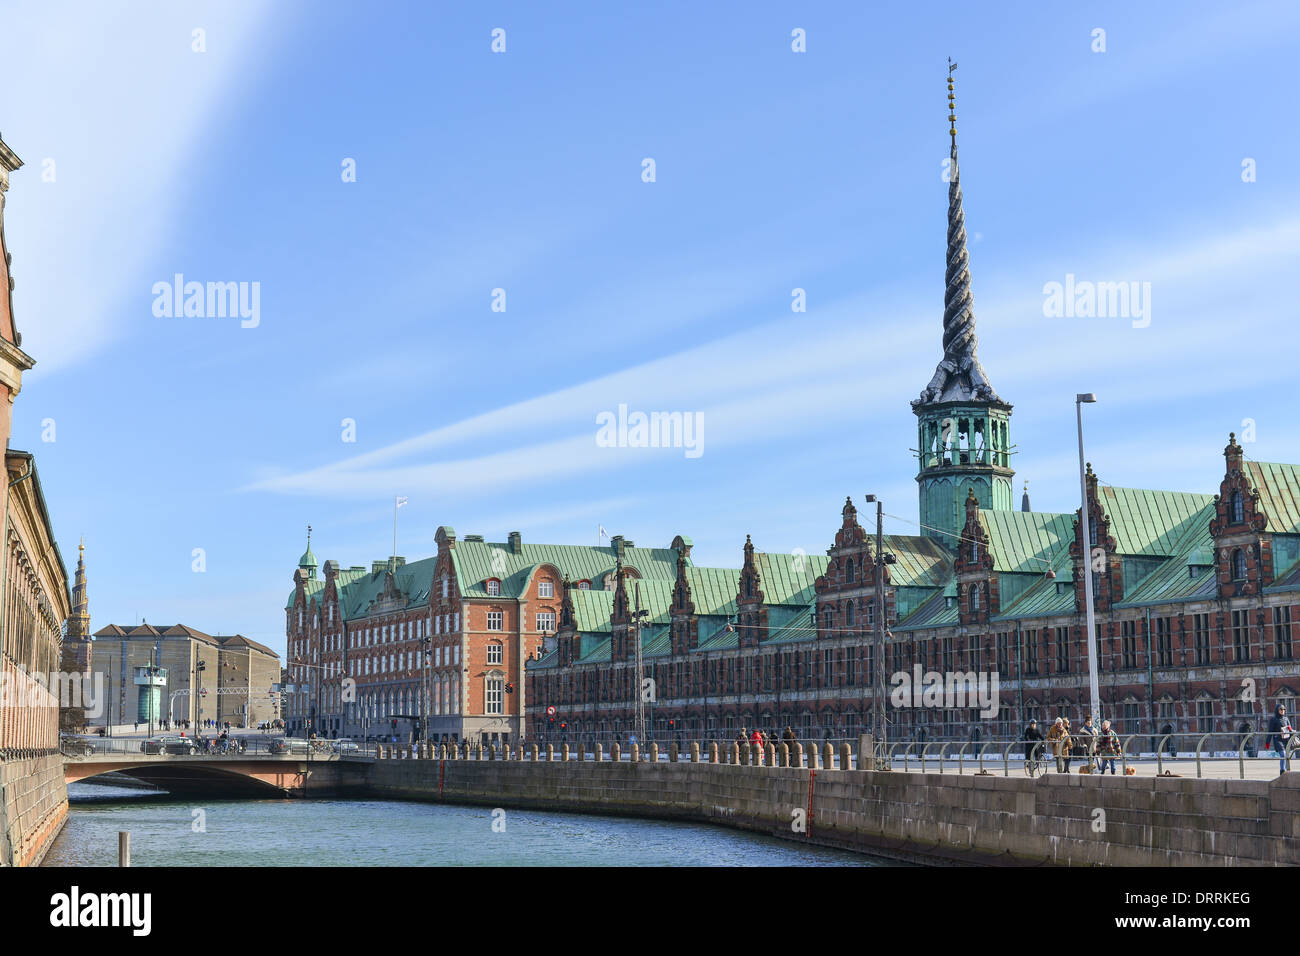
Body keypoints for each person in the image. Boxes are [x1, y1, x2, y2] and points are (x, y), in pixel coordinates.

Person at [1268, 704, 1294, 774]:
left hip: (1286, 739)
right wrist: (1267, 743)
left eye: (1284, 709)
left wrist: (1294, 733)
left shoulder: (1286, 718)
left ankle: (1285, 770)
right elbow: (1270, 731)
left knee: (1286, 755)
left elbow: (1290, 728)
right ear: (1277, 710)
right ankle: (1282, 770)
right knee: (1283, 754)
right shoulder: (1273, 719)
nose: (1283, 711)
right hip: (1278, 739)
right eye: (1281, 709)